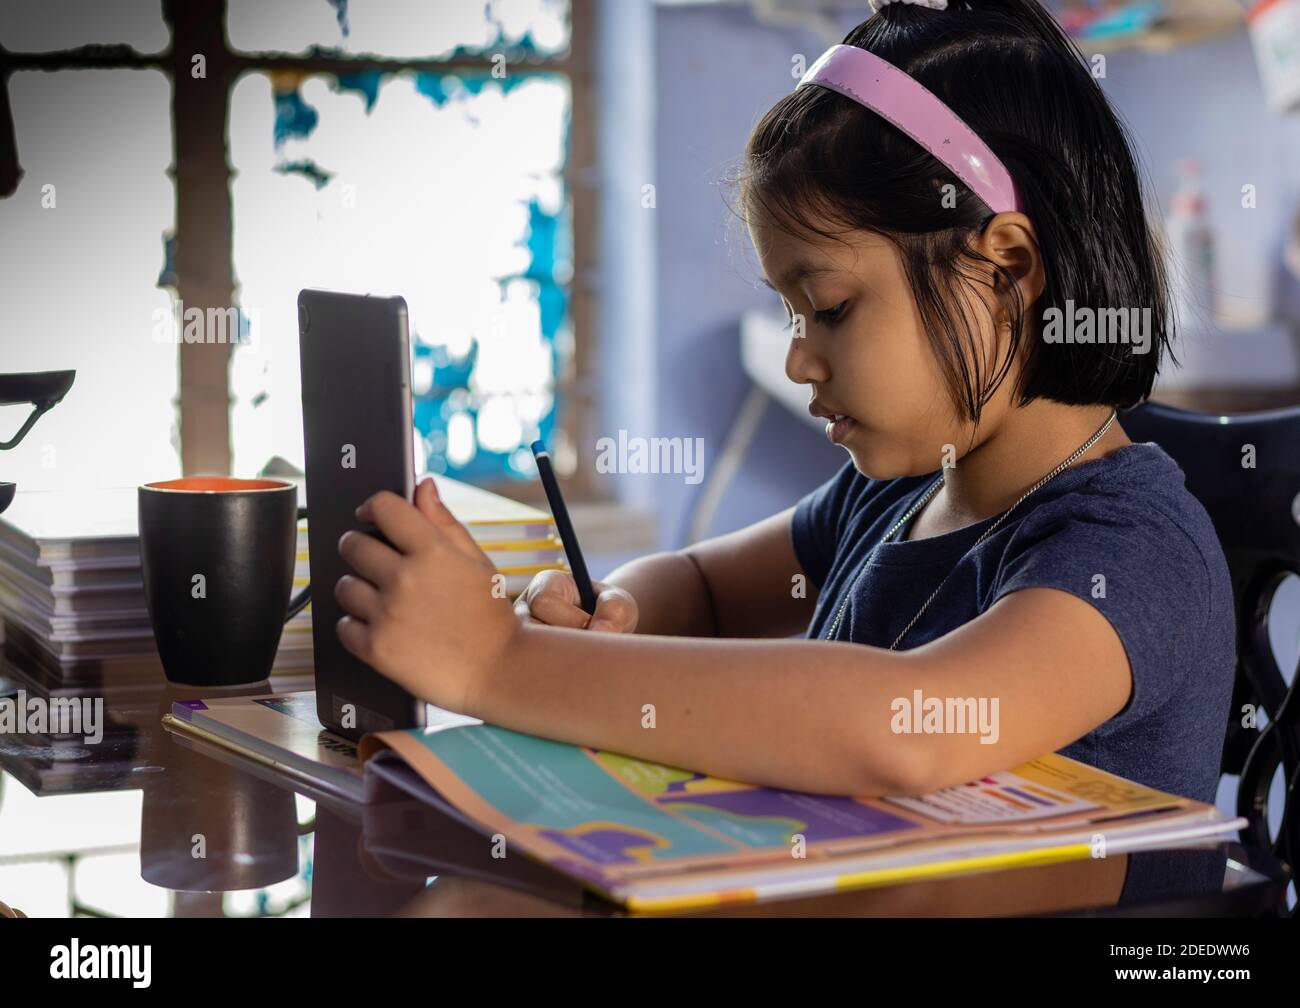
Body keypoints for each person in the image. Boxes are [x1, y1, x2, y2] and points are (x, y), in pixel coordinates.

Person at [333, 0, 1234, 803]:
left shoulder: (1132, 550)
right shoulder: (896, 493)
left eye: (831, 307)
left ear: (1005, 270)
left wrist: (501, 662)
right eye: (791, 313)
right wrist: (613, 615)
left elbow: (905, 731)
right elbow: (700, 592)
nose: (802, 359)